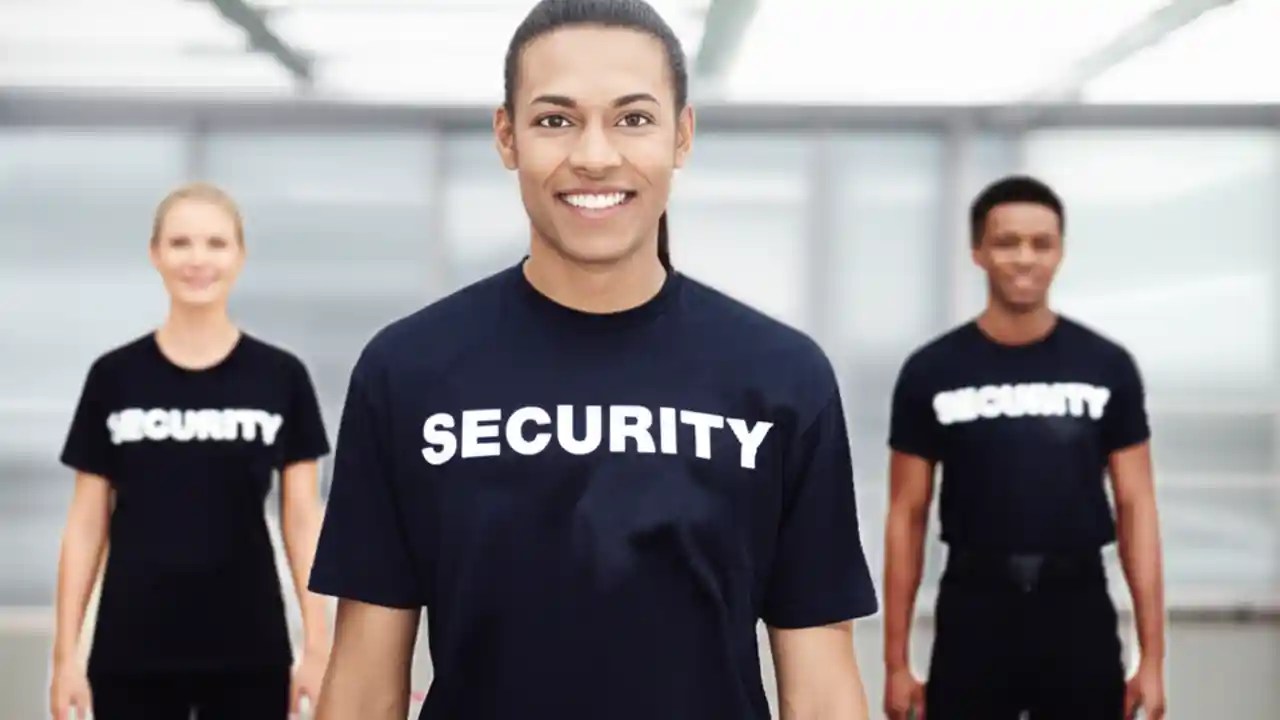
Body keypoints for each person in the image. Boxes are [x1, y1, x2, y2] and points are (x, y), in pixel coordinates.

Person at [306, 1, 878, 718]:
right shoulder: (408, 371)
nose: (596, 155)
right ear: (507, 136)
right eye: (556, 120)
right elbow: (363, 682)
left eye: (633, 118)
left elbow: (822, 686)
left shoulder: (780, 377)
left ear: (682, 135)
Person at [881, 175, 1168, 720]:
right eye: (1007, 242)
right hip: (974, 609)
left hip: (1077, 607)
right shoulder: (932, 370)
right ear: (978, 252)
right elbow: (906, 515)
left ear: (1060, 252)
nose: (1024, 258)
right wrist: (895, 662)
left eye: (1041, 243)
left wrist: (1152, 659)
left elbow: (1138, 507)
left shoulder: (1106, 366)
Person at [49, 182, 334, 720]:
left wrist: (319, 647)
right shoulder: (114, 377)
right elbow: (86, 524)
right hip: (130, 652)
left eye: (216, 243)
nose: (198, 259)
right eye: (180, 243)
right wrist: (65, 657)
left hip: (251, 651)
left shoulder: (281, 377)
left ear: (240, 255)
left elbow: (302, 521)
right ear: (155, 253)